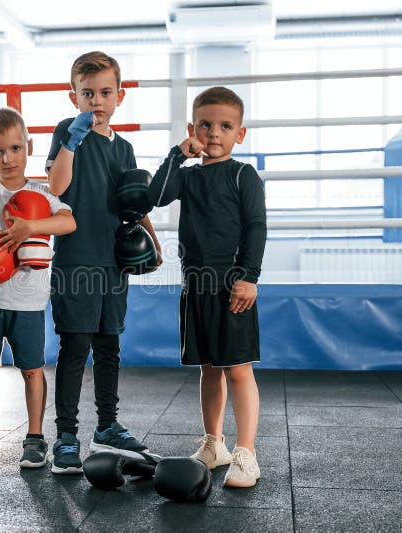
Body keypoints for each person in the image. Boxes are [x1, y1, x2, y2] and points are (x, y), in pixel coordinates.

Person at [45, 51, 163, 474]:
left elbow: (133, 199)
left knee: (109, 346)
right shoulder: (66, 131)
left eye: (105, 92)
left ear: (120, 96)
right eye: (88, 93)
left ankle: (108, 426)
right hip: (76, 260)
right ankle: (65, 436)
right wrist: (72, 141)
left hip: (112, 263)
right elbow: (56, 188)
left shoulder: (125, 147)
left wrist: (151, 231)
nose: (97, 100)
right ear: (73, 95)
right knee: (75, 348)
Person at [148, 86, 266, 488]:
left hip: (232, 286)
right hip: (195, 284)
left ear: (240, 134)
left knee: (237, 369)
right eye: (205, 125)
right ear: (192, 128)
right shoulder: (187, 176)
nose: (214, 133)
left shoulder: (242, 175)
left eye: (225, 126)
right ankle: (215, 444)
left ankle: (246, 451)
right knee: (208, 370)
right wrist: (177, 153)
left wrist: (249, 277)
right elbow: (154, 196)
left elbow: (256, 227)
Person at [0, 107, 76, 469]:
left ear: (29, 146)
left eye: (16, 149)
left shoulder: (40, 192)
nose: (8, 159)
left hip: (27, 299)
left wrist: (31, 227)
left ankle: (35, 438)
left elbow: (68, 222)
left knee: (33, 370)